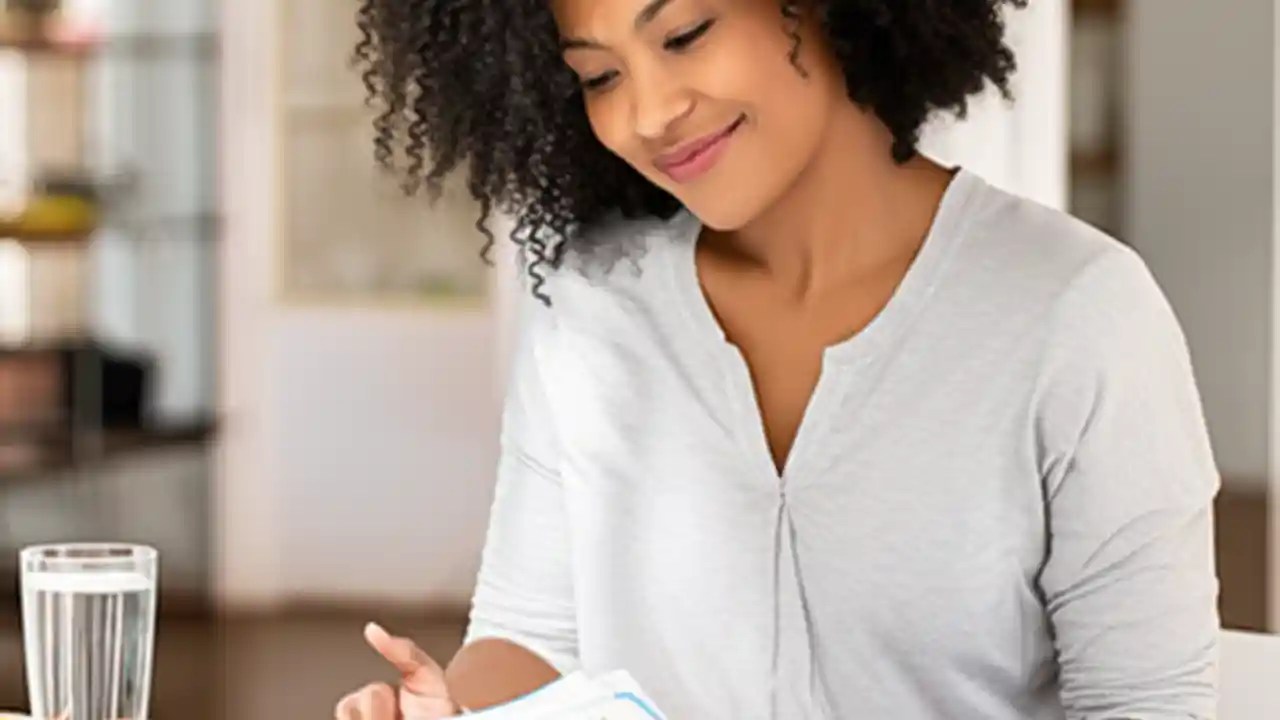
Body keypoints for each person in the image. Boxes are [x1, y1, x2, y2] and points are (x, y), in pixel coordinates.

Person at [335, 0, 1222, 717]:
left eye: (684, 34)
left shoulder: (1073, 309)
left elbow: (1148, 702)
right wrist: (456, 711)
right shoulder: (590, 306)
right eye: (599, 77)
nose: (649, 114)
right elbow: (532, 636)